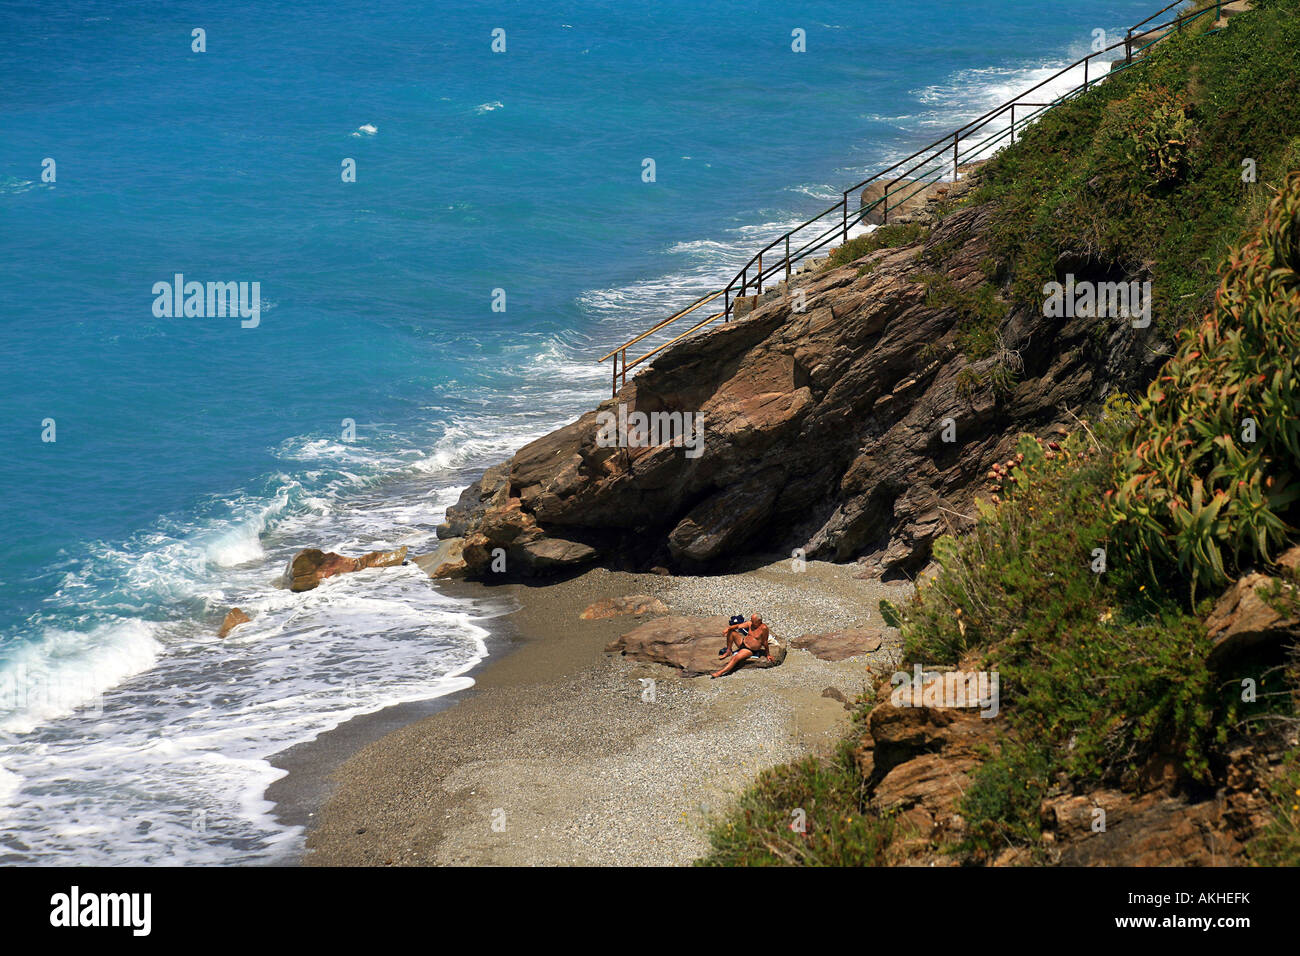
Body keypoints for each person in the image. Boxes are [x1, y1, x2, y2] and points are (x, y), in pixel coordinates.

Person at [711, 613, 771, 679]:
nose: (751, 622)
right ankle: (728, 651)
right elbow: (738, 626)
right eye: (751, 620)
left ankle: (720, 672)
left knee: (735, 658)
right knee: (731, 632)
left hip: (750, 649)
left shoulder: (764, 628)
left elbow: (765, 642)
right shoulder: (750, 623)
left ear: (759, 621)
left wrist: (768, 654)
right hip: (742, 642)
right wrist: (728, 628)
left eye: (753, 621)